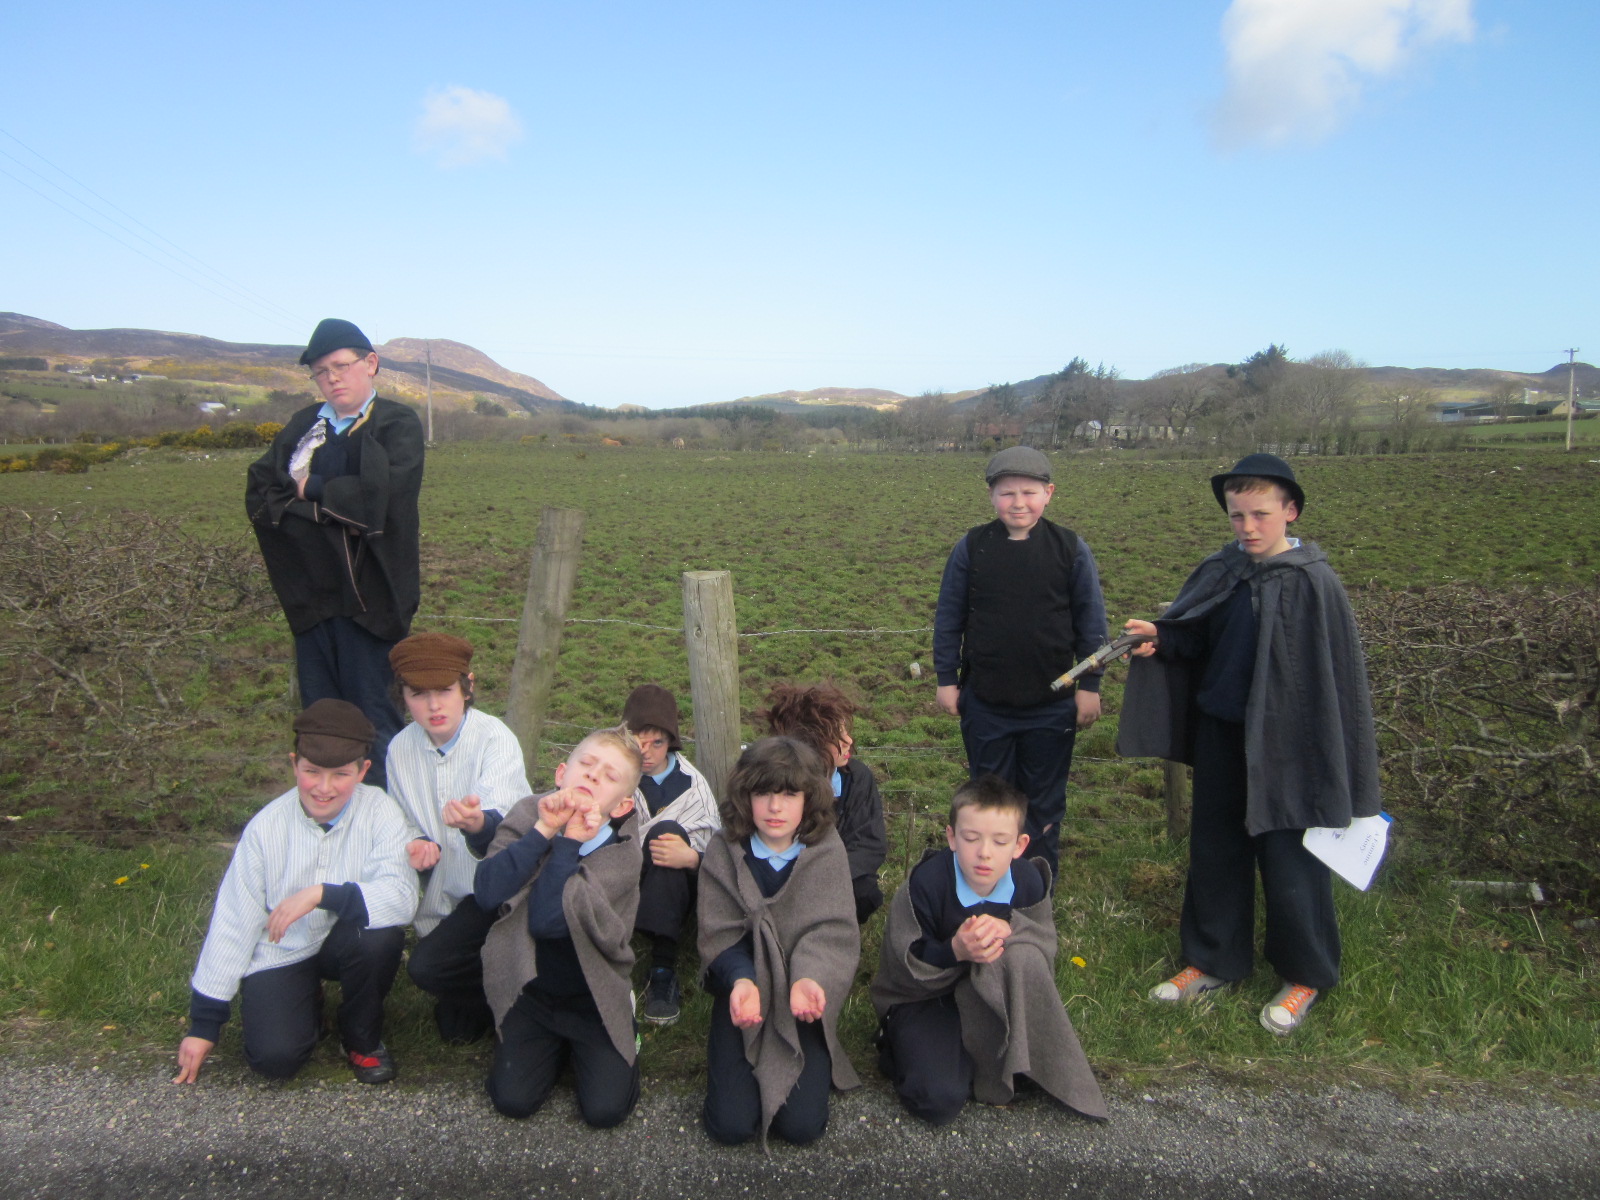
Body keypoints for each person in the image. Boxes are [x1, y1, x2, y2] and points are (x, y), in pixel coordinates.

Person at [1118, 453, 1381, 1035]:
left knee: (1291, 859)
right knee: (1215, 850)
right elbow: (1198, 636)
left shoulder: (1312, 581)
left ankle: (1304, 975)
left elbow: (1331, 678)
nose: (1248, 527)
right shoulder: (1226, 570)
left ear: (1291, 512)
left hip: (1288, 745)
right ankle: (1213, 961)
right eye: (1237, 515)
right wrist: (1163, 635)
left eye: (1261, 514)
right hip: (1222, 734)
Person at [173, 699, 416, 1086]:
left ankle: (360, 1037)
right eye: (311, 771)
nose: (324, 788)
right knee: (274, 1060)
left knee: (380, 937)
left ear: (362, 770)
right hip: (282, 947)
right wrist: (205, 1022)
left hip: (347, 942)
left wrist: (322, 894)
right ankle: (309, 1003)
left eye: (341, 774)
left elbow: (401, 897)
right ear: (294, 764)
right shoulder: (265, 827)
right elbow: (234, 921)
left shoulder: (381, 812)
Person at [246, 318, 424, 787]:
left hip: (372, 599)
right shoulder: (304, 424)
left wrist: (310, 489)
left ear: (371, 363)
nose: (332, 378)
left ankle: (389, 817)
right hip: (311, 597)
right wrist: (334, 504)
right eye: (321, 371)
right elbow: (262, 491)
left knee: (374, 720)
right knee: (322, 722)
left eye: (341, 366)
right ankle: (329, 817)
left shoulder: (395, 423)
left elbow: (382, 497)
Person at [870, 776, 1106, 1126]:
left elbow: (1042, 943)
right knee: (938, 1101)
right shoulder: (926, 884)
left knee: (1024, 956)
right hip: (929, 1000)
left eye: (1000, 841)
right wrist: (955, 950)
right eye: (971, 838)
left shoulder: (1027, 881)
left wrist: (1012, 929)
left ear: (1019, 845)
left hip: (994, 995)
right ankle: (901, 1047)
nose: (984, 852)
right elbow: (903, 966)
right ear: (951, 837)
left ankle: (988, 1058)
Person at [933, 446, 1109, 885]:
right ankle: (989, 886)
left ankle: (1035, 888)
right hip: (986, 703)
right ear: (991, 496)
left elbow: (1091, 621)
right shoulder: (972, 547)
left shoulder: (1070, 549)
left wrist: (1091, 686)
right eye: (1007, 493)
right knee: (991, 801)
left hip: (1051, 705)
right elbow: (949, 617)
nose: (1018, 503)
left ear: (1049, 493)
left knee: (1044, 803)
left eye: (1029, 492)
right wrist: (946, 679)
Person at [475, 727, 645, 1127]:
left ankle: (623, 1026)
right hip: (532, 991)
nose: (593, 776)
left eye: (609, 776)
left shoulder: (622, 854)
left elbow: (548, 922)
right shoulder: (527, 814)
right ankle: (546, 1046)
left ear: (622, 805)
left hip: (592, 997)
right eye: (586, 765)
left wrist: (568, 843)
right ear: (561, 773)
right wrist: (544, 831)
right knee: (512, 1101)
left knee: (605, 1111)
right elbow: (487, 891)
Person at [697, 737, 862, 1147]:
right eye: (763, 793)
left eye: (789, 795)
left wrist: (809, 977)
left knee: (802, 1127)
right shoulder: (724, 850)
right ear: (745, 796)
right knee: (730, 1126)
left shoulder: (826, 851)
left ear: (809, 799)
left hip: (799, 1002)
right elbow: (719, 932)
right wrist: (741, 979)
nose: (775, 807)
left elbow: (833, 931)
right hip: (744, 997)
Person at [384, 631, 531, 1045]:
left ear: (468, 687)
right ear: (402, 696)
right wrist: (415, 840)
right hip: (442, 894)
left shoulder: (494, 738)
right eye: (418, 694)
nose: (433, 706)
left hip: (493, 891)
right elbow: (400, 816)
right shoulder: (399, 749)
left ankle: (516, 987)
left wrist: (477, 822)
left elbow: (508, 822)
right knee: (455, 1026)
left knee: (426, 967)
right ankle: (488, 990)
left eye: (445, 691)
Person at [621, 684, 720, 1027]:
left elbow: (712, 842)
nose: (647, 752)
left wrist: (692, 858)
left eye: (657, 743)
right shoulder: (614, 775)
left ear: (671, 742)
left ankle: (662, 967)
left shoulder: (692, 785)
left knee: (668, 835)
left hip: (676, 885)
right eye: (639, 742)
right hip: (623, 873)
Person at [759, 682, 887, 923]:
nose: (848, 741)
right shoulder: (776, 783)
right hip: (783, 880)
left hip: (837, 877)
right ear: (810, 743)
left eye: (846, 731)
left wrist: (824, 879)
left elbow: (869, 844)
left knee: (865, 893)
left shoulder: (857, 778)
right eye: (835, 736)